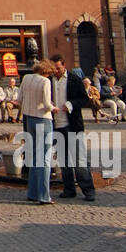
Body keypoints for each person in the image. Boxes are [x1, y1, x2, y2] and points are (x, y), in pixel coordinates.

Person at [55, 58, 96, 202]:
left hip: (73, 125)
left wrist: (71, 104)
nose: (56, 71)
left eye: (58, 68)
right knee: (64, 161)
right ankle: (69, 189)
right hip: (57, 126)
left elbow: (84, 99)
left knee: (79, 160)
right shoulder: (49, 81)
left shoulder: (74, 79)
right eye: (54, 69)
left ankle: (88, 190)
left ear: (64, 66)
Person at [19, 59, 57, 204]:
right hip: (42, 119)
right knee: (45, 158)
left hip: (28, 118)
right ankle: (44, 195)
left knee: (34, 156)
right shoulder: (45, 82)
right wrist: (54, 108)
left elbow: (19, 98)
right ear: (47, 71)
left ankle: (33, 193)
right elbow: (47, 104)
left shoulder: (26, 78)